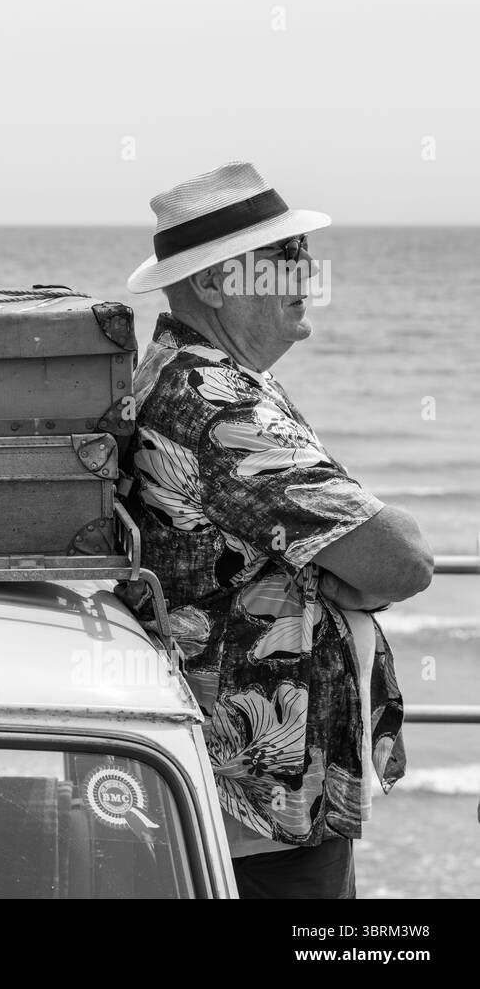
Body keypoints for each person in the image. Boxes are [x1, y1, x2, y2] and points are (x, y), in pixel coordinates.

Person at [119, 161, 434, 899]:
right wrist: (339, 573)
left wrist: (327, 565)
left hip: (244, 793)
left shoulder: (194, 373)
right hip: (256, 809)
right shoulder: (218, 406)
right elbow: (403, 558)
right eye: (285, 257)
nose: (308, 273)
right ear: (213, 283)